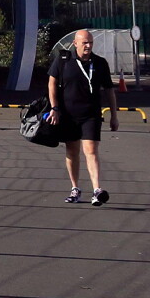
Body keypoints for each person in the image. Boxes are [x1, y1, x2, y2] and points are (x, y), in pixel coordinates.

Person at [47, 29, 119, 205]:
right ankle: (75, 188)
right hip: (69, 115)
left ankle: (97, 190)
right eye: (85, 42)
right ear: (75, 43)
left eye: (91, 42)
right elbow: (52, 83)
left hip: (91, 115)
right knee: (72, 151)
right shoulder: (64, 60)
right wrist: (54, 108)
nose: (88, 46)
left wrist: (114, 115)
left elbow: (109, 90)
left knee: (91, 150)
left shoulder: (100, 63)